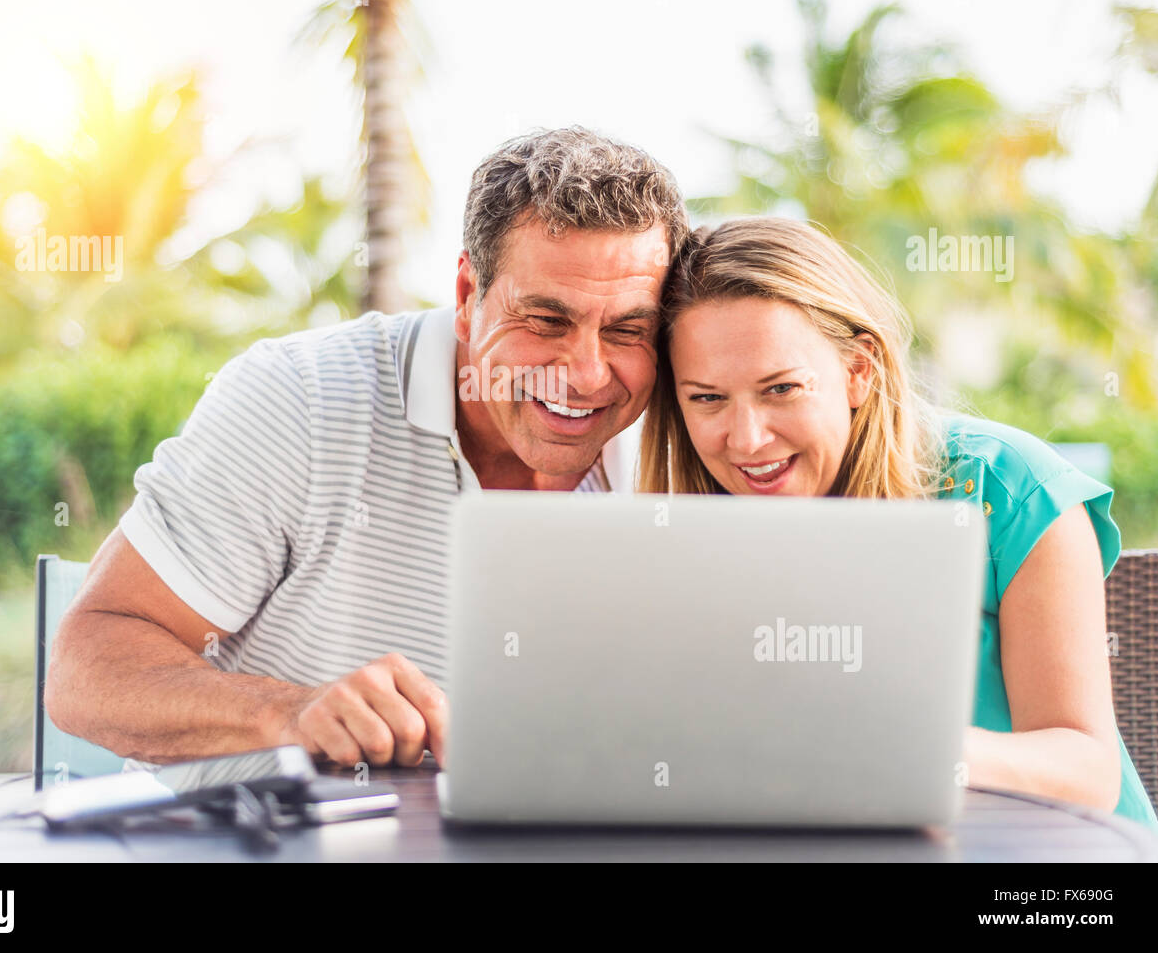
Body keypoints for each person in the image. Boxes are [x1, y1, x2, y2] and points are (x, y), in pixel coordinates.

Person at [45, 127, 687, 771]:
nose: (585, 374)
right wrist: (290, 713)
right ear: (468, 298)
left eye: (627, 329)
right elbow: (84, 672)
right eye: (547, 322)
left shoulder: (670, 456)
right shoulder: (299, 399)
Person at [637, 216, 1158, 831]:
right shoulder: (686, 529)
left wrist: (895, 753)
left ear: (859, 370)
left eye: (781, 389)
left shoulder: (1008, 486)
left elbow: (1085, 769)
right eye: (706, 398)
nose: (747, 439)